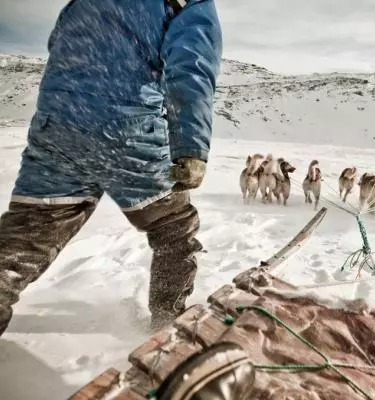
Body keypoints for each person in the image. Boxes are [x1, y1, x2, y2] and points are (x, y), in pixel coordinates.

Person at [0, 0, 223, 335]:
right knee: (174, 227)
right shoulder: (188, 3)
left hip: (57, 128)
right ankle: (167, 322)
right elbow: (190, 69)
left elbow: (58, 47)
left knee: (25, 239)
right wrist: (190, 147)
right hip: (125, 131)